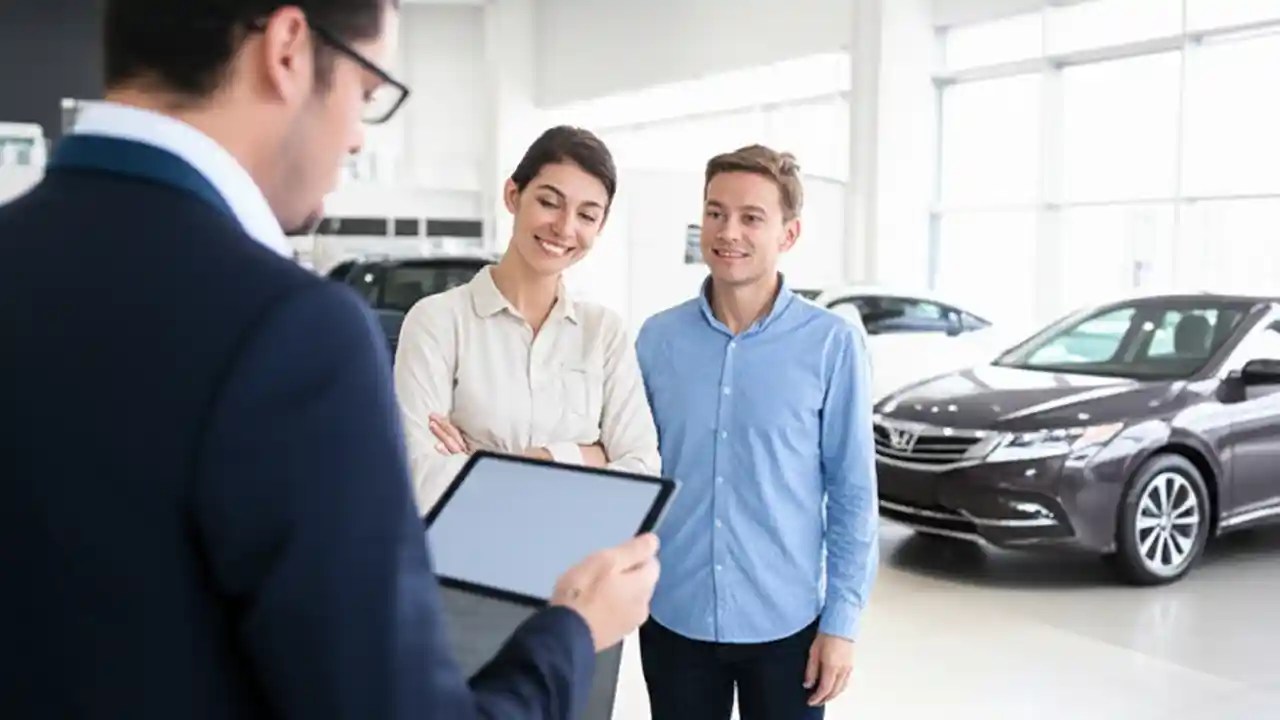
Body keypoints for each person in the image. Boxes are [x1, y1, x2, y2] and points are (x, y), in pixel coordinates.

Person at [0, 2, 660, 719]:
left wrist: (497, 466)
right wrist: (573, 630)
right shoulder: (292, 332)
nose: (353, 139)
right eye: (368, 93)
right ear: (288, 49)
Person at [393, 125, 661, 720]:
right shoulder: (438, 322)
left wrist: (493, 464)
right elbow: (423, 483)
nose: (565, 228)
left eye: (588, 214)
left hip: (585, 603)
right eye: (550, 200)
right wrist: (585, 455)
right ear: (513, 195)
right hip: (460, 597)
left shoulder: (603, 333)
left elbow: (641, 472)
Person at [634, 145, 880, 720]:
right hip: (675, 617)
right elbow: (631, 464)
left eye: (751, 217)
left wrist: (841, 625)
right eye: (716, 212)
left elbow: (852, 494)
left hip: (788, 627)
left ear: (788, 234)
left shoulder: (831, 344)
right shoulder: (657, 340)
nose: (728, 232)